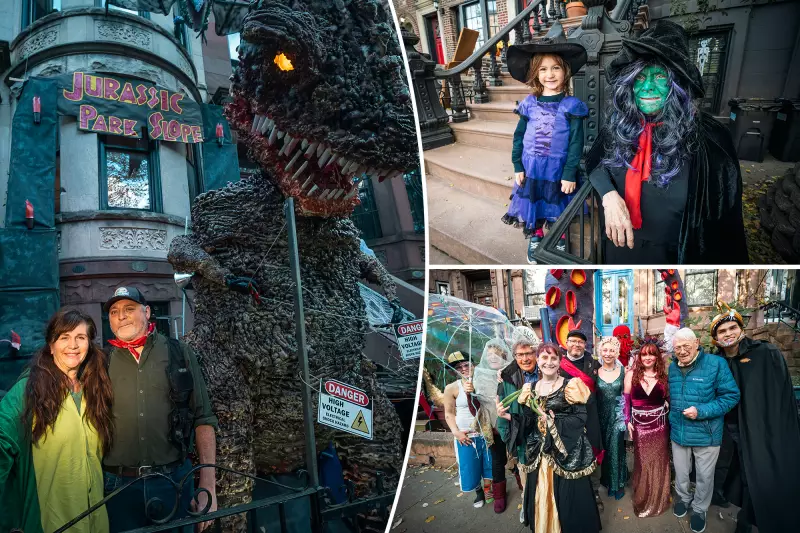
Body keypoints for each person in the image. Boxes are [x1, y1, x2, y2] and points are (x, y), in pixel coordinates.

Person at [586, 20, 747, 264]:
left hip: (671, 256)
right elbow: (595, 164)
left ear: (677, 85)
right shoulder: (620, 125)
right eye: (639, 77)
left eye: (659, 76)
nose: (647, 87)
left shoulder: (710, 137)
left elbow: (723, 223)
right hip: (618, 248)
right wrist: (608, 196)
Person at [101, 287, 219, 532]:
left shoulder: (179, 353)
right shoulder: (101, 362)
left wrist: (208, 487)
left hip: (173, 482)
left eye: (129, 308)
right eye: (114, 311)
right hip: (117, 488)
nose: (120, 316)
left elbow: (203, 418)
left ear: (147, 312)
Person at [0, 309, 113, 533]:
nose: (73, 345)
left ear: (89, 345)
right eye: (64, 337)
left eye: (80, 338)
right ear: (51, 346)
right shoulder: (29, 390)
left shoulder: (95, 390)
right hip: (51, 524)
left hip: (96, 522)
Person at [501, 23, 589, 263]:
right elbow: (519, 136)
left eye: (555, 68)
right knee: (534, 203)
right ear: (535, 74)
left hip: (558, 168)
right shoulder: (529, 104)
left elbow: (575, 144)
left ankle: (557, 238)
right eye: (543, 70)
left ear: (565, 70)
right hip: (531, 167)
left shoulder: (572, 106)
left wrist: (570, 173)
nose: (549, 74)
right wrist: (517, 165)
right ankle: (537, 237)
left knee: (556, 203)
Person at [709, 308, 800, 533]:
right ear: (716, 337)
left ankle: (748, 520)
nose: (728, 334)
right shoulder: (715, 361)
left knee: (755, 472)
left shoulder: (766, 353)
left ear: (741, 328)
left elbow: (781, 394)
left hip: (758, 428)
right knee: (729, 469)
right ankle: (728, 499)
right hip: (725, 428)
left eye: (733, 328)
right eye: (722, 331)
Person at [520, 343, 601, 533]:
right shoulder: (529, 388)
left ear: (559, 361)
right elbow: (528, 420)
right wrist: (508, 417)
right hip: (539, 452)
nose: (549, 362)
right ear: (537, 361)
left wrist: (553, 423)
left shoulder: (571, 385)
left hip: (566, 450)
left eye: (553, 358)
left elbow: (580, 418)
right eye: (544, 358)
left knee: (568, 499)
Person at [668, 327, 740, 533]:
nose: (681, 351)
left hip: (706, 433)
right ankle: (683, 498)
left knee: (704, 477)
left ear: (697, 343)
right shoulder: (673, 367)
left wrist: (701, 411)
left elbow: (731, 396)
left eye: (686, 346)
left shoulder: (716, 364)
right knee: (681, 473)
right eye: (677, 347)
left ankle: (699, 509)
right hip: (679, 432)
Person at [623, 337, 671, 517]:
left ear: (657, 356)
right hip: (640, 427)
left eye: (651, 354)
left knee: (659, 461)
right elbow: (626, 401)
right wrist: (627, 420)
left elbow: (668, 398)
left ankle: (659, 498)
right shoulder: (631, 374)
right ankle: (643, 498)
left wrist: (667, 403)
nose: (648, 358)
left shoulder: (663, 376)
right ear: (639, 357)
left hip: (660, 426)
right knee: (643, 462)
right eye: (644, 355)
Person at [558, 329, 604, 511]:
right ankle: (572, 491)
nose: (576, 345)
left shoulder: (594, 364)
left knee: (593, 451)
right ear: (566, 343)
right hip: (567, 418)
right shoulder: (557, 364)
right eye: (572, 341)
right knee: (569, 453)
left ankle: (594, 491)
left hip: (591, 416)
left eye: (580, 342)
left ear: (585, 345)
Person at [495, 337, 540, 523]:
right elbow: (501, 406)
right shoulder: (506, 376)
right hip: (522, 435)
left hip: (544, 433)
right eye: (520, 355)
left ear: (536, 354)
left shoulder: (545, 370)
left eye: (529, 353)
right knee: (526, 475)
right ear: (514, 356)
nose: (525, 358)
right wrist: (509, 436)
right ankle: (527, 507)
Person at [442, 351, 493, 509]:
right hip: (466, 434)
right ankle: (478, 492)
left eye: (466, 364)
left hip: (486, 432)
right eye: (459, 367)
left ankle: (488, 488)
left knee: (489, 463)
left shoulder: (484, 382)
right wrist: (456, 433)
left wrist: (475, 391)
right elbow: (449, 413)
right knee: (470, 466)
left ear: (474, 364)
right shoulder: (451, 388)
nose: (463, 368)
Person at [472, 339, 517, 513]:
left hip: (512, 421)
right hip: (493, 425)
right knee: (498, 461)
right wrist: (470, 393)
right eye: (489, 354)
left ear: (503, 355)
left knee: (517, 456)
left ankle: (522, 483)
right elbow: (475, 405)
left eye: (496, 354)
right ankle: (499, 495)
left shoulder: (513, 369)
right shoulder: (480, 374)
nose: (492, 357)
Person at [594, 336, 627, 500]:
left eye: (612, 350)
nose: (608, 353)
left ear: (617, 352)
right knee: (604, 450)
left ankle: (617, 483)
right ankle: (606, 480)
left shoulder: (623, 371)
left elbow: (628, 396)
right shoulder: (594, 371)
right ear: (600, 351)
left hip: (617, 418)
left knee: (616, 449)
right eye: (605, 350)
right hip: (600, 417)